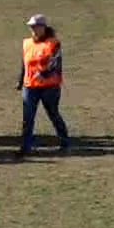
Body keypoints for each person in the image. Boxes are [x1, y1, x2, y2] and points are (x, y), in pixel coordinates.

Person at [18, 14, 70, 155]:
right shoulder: (27, 43)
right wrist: (20, 79)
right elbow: (24, 63)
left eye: (36, 26)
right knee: (28, 118)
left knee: (53, 113)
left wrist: (43, 74)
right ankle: (26, 146)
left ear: (43, 27)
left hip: (49, 87)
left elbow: (55, 62)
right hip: (30, 86)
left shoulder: (53, 43)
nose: (33, 29)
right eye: (31, 27)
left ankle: (64, 140)